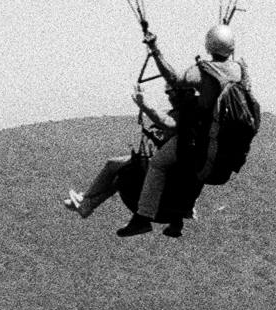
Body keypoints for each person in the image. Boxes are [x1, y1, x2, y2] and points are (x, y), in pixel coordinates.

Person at [65, 17, 255, 238]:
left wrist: (155, 50)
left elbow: (174, 79)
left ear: (208, 45)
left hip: (199, 138)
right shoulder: (239, 70)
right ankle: (89, 204)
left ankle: (142, 217)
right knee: (129, 170)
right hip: (223, 144)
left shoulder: (205, 72)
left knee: (157, 163)